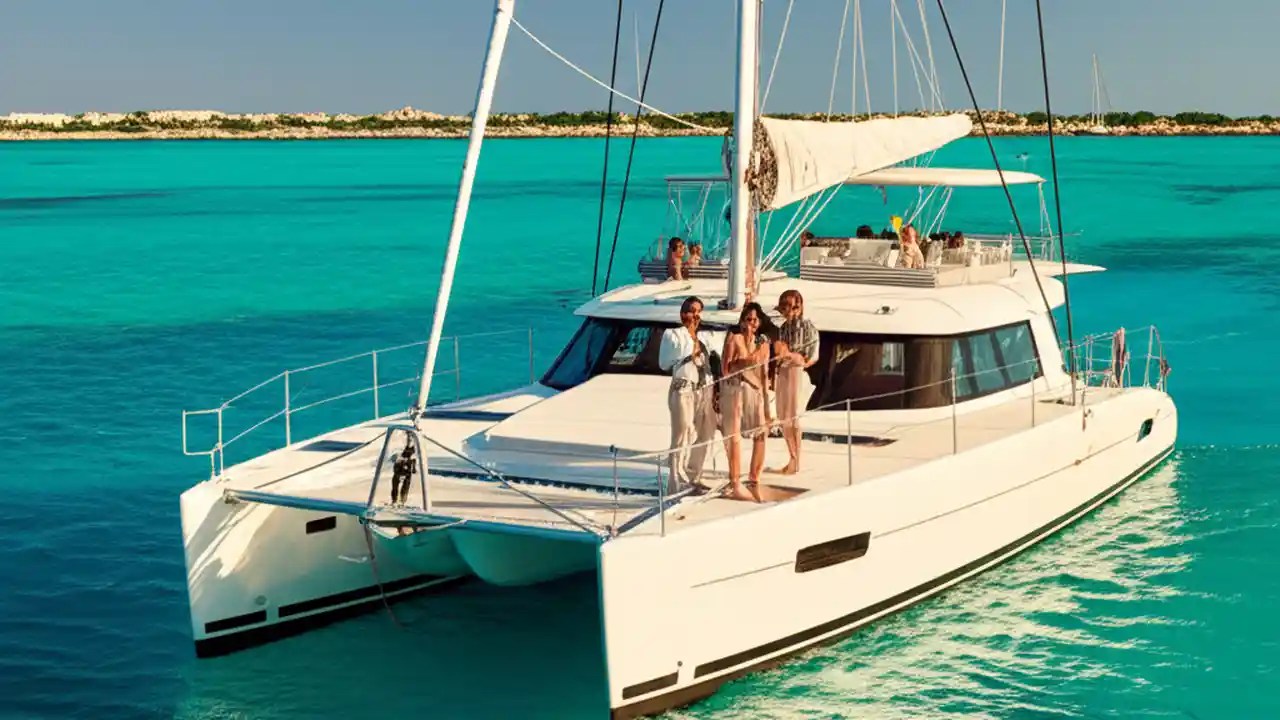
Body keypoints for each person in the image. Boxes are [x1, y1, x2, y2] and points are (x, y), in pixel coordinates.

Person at [658, 296, 717, 492]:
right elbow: (664, 363)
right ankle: (674, 481)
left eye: (698, 310)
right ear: (683, 314)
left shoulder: (705, 337)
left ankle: (694, 474)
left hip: (704, 389)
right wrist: (689, 350)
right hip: (682, 388)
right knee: (681, 434)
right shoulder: (673, 335)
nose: (695, 315)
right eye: (692, 310)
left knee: (706, 432)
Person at [720, 302, 777, 502]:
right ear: (742, 321)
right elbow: (726, 369)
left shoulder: (762, 344)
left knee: (761, 434)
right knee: (733, 435)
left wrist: (768, 405)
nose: (751, 323)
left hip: (756, 392)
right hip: (735, 389)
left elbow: (764, 374)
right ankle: (734, 479)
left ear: (759, 322)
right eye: (747, 319)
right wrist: (745, 362)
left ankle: (754, 478)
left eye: (754, 319)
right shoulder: (733, 338)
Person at [772, 289, 819, 474]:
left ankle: (796, 459)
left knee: (793, 417)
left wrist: (797, 359)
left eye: (788, 307)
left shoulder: (808, 327)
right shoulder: (783, 329)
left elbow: (812, 354)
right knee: (783, 416)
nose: (785, 311)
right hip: (783, 370)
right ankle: (792, 456)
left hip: (796, 371)